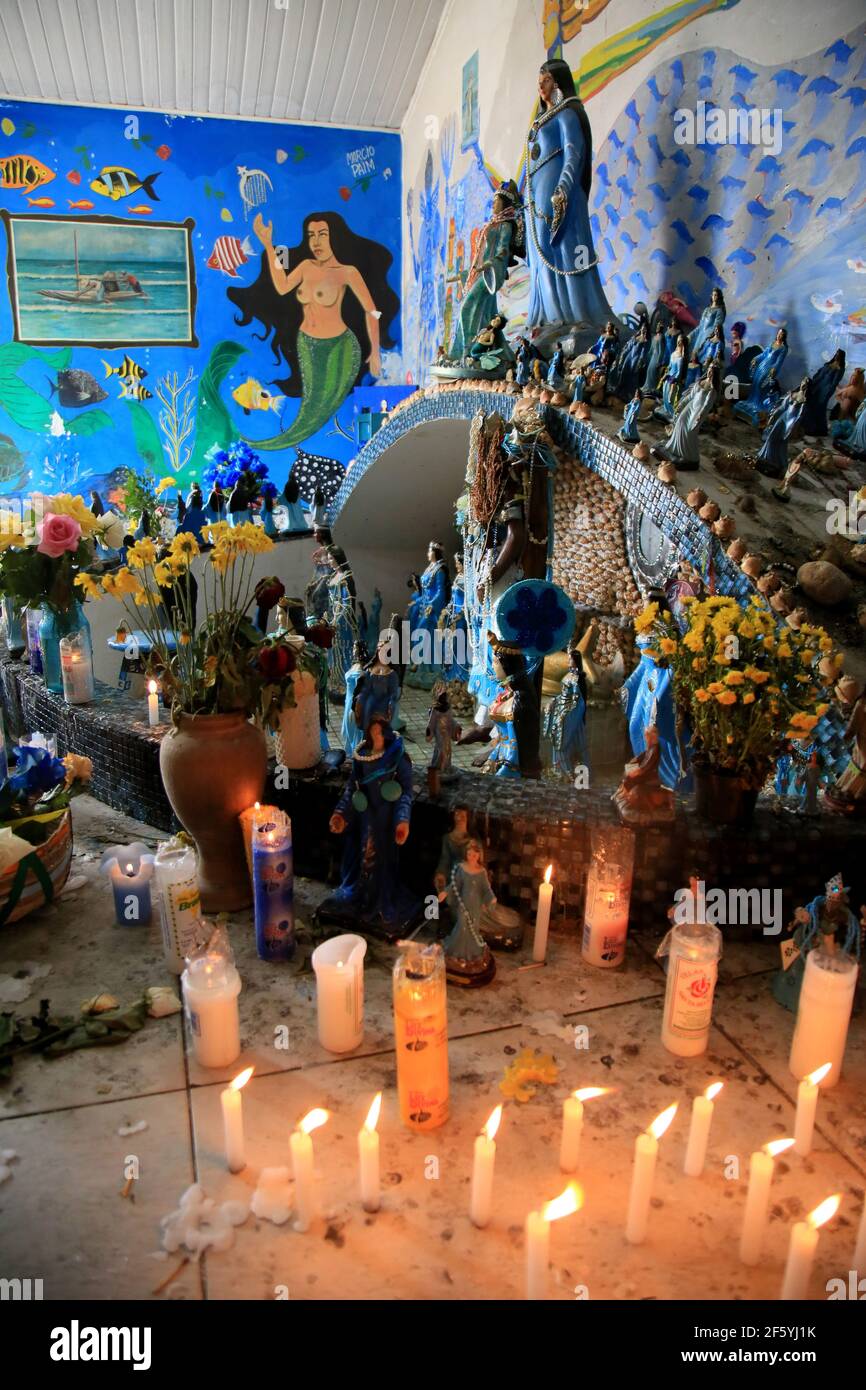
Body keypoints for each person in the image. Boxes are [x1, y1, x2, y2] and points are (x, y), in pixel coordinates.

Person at [230, 210, 400, 450]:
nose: (316, 242)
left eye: (322, 234)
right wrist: (268, 244)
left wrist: (374, 351)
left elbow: (371, 311)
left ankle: (276, 443)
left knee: (322, 408)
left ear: (336, 237)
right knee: (309, 408)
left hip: (338, 347)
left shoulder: (346, 272)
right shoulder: (306, 266)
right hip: (306, 343)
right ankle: (278, 441)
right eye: (311, 235)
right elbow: (282, 286)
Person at [524, 58, 616, 331]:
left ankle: (576, 314)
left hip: (557, 194)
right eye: (539, 82)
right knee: (541, 255)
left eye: (547, 80)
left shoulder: (567, 113)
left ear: (559, 81)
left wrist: (563, 187)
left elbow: (574, 153)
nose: (541, 86)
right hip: (536, 199)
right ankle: (549, 316)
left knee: (564, 248)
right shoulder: (541, 121)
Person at [321, 716, 419, 935]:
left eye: (379, 731)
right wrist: (340, 814)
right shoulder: (362, 757)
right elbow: (352, 789)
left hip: (385, 821)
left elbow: (405, 795)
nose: (376, 736)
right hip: (364, 818)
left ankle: (378, 902)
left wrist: (402, 821)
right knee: (361, 857)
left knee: (380, 860)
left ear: (385, 732)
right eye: (372, 732)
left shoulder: (398, 759)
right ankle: (361, 897)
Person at [449, 180, 523, 360]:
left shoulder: (505, 226)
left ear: (504, 204)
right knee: (487, 314)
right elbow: (479, 254)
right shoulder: (492, 224)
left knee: (467, 307)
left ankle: (466, 350)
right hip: (480, 271)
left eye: (496, 201)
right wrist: (467, 273)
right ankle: (479, 352)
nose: (493, 205)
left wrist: (489, 265)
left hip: (490, 272)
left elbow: (503, 250)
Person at [439, 838, 496, 987]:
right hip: (463, 904)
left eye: (475, 855)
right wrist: (445, 892)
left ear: (479, 856)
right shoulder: (462, 869)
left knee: (472, 929)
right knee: (462, 925)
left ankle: (469, 955)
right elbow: (455, 884)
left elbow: (486, 889)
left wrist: (491, 899)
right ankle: (454, 952)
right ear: (467, 854)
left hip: (475, 906)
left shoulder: (482, 872)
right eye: (470, 854)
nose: (472, 857)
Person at [426, 685, 461, 799]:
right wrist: (429, 732)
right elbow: (431, 723)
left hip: (447, 731)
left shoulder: (448, 708)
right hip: (439, 730)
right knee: (440, 748)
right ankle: (437, 767)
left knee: (447, 748)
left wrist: (456, 726)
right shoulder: (435, 710)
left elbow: (451, 720)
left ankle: (446, 767)